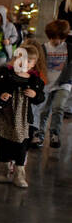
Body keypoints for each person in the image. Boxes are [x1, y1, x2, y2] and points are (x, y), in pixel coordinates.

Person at [0, 43, 45, 188]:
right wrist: (0, 95)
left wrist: (35, 94)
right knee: (4, 142)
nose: (24, 63)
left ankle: (19, 173)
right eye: (20, 59)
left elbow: (41, 98)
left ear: (34, 64)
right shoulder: (4, 74)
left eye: (29, 61)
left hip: (24, 119)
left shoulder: (35, 80)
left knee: (22, 145)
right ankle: (3, 170)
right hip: (5, 115)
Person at [34, 20, 71, 149]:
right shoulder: (43, 48)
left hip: (63, 83)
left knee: (58, 107)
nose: (58, 41)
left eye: (61, 38)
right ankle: (39, 134)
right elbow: (38, 66)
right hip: (46, 84)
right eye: (55, 38)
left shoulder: (69, 47)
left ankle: (55, 134)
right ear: (49, 36)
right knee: (43, 110)